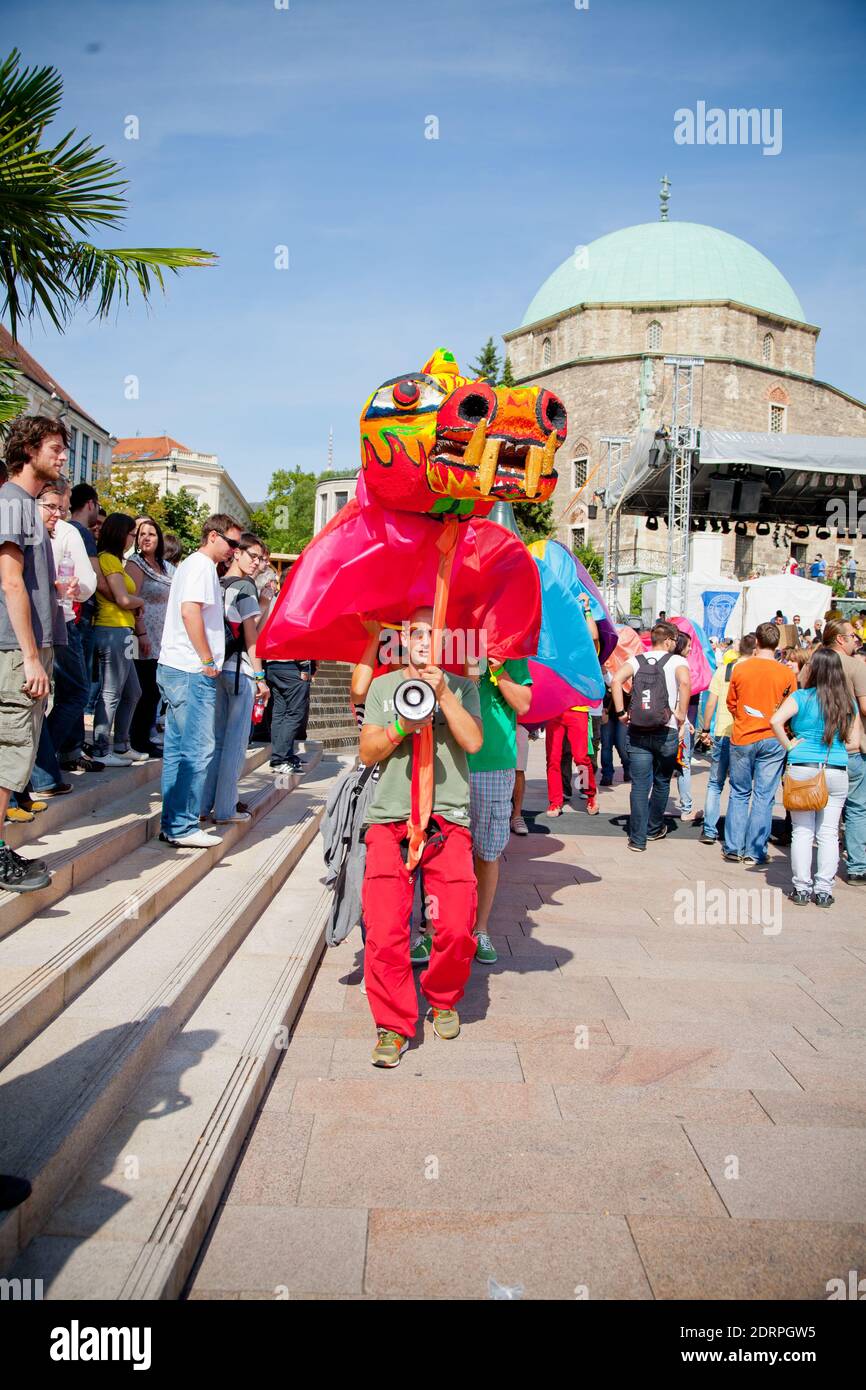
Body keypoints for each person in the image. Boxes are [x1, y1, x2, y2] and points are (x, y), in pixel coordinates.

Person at [358, 607, 482, 1067]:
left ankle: (443, 996)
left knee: (453, 923)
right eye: (417, 633)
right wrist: (399, 727)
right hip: (390, 820)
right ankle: (391, 1025)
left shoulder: (463, 686)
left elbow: (472, 742)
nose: (425, 641)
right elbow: (367, 750)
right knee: (386, 929)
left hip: (447, 820)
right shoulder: (383, 687)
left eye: (436, 634)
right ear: (403, 640)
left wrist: (445, 694)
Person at [0, 415, 69, 891]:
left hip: (26, 647)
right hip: (13, 649)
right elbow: (9, 580)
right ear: (28, 449)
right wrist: (29, 655)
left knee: (14, 756)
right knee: (10, 753)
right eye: (55, 447)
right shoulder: (12, 503)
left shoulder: (25, 504)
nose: (63, 456)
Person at [156, 514, 238, 847]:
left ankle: (174, 822)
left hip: (180, 667)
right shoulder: (201, 566)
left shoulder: (194, 566)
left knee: (178, 749)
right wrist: (207, 659)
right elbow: (190, 611)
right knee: (196, 749)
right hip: (190, 669)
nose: (233, 550)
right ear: (214, 536)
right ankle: (182, 825)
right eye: (231, 543)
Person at [771, 648, 862, 907]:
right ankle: (824, 889)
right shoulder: (848, 703)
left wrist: (790, 745)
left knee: (802, 830)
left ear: (816, 669)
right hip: (835, 768)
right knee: (829, 832)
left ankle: (801, 888)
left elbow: (775, 720)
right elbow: (854, 741)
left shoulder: (802, 696)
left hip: (803, 765)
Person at [30, 477, 95, 796]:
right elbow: (88, 582)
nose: (57, 512)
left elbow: (82, 584)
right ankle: (40, 769)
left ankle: (39, 772)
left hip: (51, 619)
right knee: (73, 692)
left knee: (39, 698)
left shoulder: (55, 530)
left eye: (60, 507)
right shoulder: (64, 531)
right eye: (52, 506)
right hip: (56, 623)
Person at [200, 531, 270, 824]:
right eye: (252, 555)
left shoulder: (218, 583)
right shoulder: (245, 586)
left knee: (215, 741)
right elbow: (252, 635)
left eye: (261, 558)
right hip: (240, 671)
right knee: (235, 744)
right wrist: (260, 676)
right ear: (237, 553)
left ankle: (204, 806)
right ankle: (226, 808)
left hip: (216, 668)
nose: (257, 563)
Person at [467, 651, 532, 964]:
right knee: (438, 848)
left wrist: (498, 667)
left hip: (493, 762)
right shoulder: (448, 636)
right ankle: (431, 929)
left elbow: (523, 704)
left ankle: (480, 928)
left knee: (487, 851)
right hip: (447, 758)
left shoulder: (510, 649)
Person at [609, 621, 690, 852]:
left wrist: (621, 712)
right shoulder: (678, 661)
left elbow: (616, 680)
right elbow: (684, 682)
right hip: (667, 730)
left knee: (640, 785)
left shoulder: (637, 660)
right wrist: (681, 715)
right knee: (662, 780)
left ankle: (637, 839)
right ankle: (654, 828)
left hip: (638, 730)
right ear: (669, 640)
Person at [723, 622, 795, 866]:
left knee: (740, 792)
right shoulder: (786, 673)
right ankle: (755, 850)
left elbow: (731, 702)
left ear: (757, 641)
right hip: (773, 738)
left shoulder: (741, 669)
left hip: (744, 735)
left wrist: (742, 718)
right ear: (777, 645)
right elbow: (790, 707)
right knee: (764, 796)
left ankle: (733, 847)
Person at [810, 620, 866, 886]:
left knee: (814, 811)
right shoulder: (856, 666)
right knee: (856, 809)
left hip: (816, 747)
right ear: (840, 640)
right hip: (850, 747)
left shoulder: (815, 662)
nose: (858, 640)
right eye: (854, 636)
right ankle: (856, 867)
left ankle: (817, 865)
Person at [90, 513, 148, 767]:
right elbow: (123, 599)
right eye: (132, 534)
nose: (133, 539)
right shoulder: (109, 560)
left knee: (132, 691)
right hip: (112, 629)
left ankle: (122, 745)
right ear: (119, 533)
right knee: (111, 692)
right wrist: (141, 601)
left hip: (122, 631)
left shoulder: (114, 560)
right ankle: (101, 749)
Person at [697, 634, 756, 845]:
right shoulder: (756, 672)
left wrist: (705, 728)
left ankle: (709, 830)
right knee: (740, 787)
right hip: (747, 733)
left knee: (715, 782)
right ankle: (735, 834)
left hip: (722, 730)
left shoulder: (725, 670)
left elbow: (710, 702)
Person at [62, 482, 104, 772]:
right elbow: (95, 578)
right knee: (78, 688)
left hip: (69, 616)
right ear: (90, 504)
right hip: (79, 617)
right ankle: (68, 750)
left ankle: (67, 749)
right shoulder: (81, 534)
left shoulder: (66, 530)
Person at [545, 593, 599, 816]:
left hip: (577, 710)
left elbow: (594, 637)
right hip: (555, 710)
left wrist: (586, 609)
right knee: (553, 758)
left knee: (581, 758)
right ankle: (555, 801)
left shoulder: (584, 653)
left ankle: (590, 795)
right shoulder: (552, 652)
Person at [126, 517, 176, 758]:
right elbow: (132, 601)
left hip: (163, 638)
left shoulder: (165, 567)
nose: (146, 538)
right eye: (142, 534)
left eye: (152, 534)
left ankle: (144, 736)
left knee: (155, 691)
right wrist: (141, 632)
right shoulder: (135, 564)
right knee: (143, 689)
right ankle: (135, 739)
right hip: (143, 635)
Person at [267, 646, 317, 775]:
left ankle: (284, 756)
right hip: (292, 666)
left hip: (272, 664)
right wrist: (306, 667)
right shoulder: (298, 624)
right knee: (295, 713)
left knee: (280, 713)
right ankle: (279, 759)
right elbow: (301, 639)